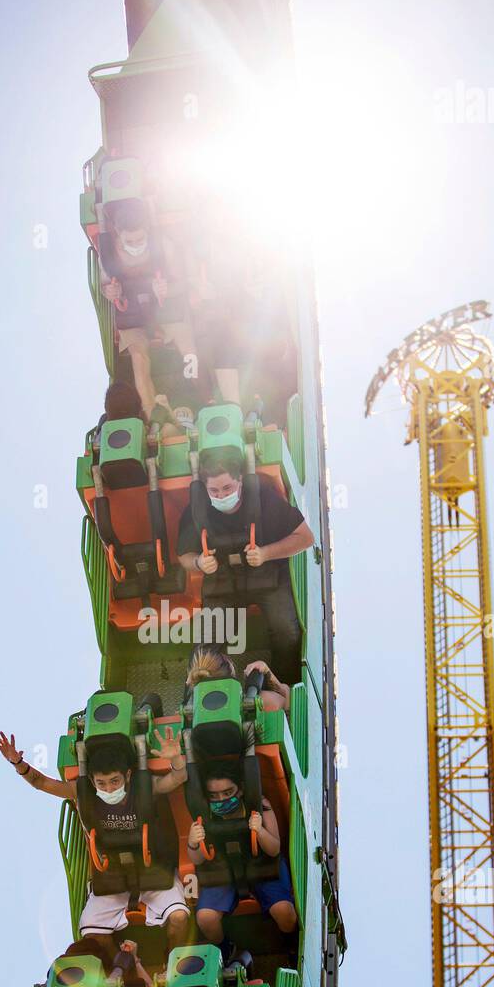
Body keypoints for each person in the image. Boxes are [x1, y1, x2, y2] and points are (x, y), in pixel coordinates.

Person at [0, 726, 191, 966]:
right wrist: (18, 762)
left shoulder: (144, 786)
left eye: (114, 781)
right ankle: (120, 966)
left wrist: (176, 759)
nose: (108, 789)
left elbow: (177, 778)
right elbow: (41, 783)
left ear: (127, 776)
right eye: (102, 783)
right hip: (113, 877)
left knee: (179, 916)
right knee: (90, 929)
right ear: (93, 781)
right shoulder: (83, 792)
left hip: (154, 872)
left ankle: (172, 963)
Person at [176, 450, 314, 684]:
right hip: (222, 583)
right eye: (214, 491)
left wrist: (265, 553)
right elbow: (183, 556)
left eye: (227, 488)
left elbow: (305, 538)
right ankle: (199, 698)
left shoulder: (264, 499)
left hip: (267, 577)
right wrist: (198, 562)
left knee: (287, 631)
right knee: (204, 647)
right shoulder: (196, 511)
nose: (221, 495)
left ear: (240, 481)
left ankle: (281, 686)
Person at [97, 198, 197, 423]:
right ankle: (154, 418)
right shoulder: (110, 257)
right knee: (139, 358)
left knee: (189, 350)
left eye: (140, 239)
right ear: (118, 233)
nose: (135, 244)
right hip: (131, 312)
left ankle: (201, 400)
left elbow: (183, 283)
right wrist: (110, 292)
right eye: (129, 240)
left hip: (162, 306)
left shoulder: (164, 247)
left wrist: (166, 289)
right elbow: (105, 287)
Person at [186, 764, 297, 944]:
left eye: (227, 793)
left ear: (241, 790)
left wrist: (259, 830)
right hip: (222, 871)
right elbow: (197, 859)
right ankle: (224, 948)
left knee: (284, 911)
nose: (221, 800)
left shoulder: (261, 806)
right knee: (205, 918)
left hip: (262, 867)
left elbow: (274, 849)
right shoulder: (204, 814)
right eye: (214, 796)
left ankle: (290, 943)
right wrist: (192, 843)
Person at [183, 645, 290, 713]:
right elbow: (288, 704)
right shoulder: (262, 702)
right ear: (231, 676)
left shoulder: (190, 715)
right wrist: (268, 672)